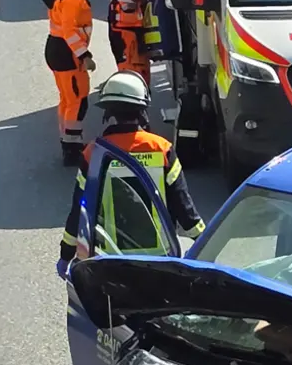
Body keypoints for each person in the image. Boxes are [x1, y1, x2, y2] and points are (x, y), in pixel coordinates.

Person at [59, 73, 203, 271]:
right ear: (142, 109)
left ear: (108, 111)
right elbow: (184, 206)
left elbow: (79, 209)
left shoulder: (93, 153)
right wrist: (205, 244)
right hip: (160, 258)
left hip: (110, 259)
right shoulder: (161, 149)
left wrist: (66, 255)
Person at [45, 0, 99, 165]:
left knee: (68, 99)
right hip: (67, 54)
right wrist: (84, 56)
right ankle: (72, 149)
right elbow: (70, 31)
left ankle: (69, 142)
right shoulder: (71, 0)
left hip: (59, 51)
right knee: (78, 100)